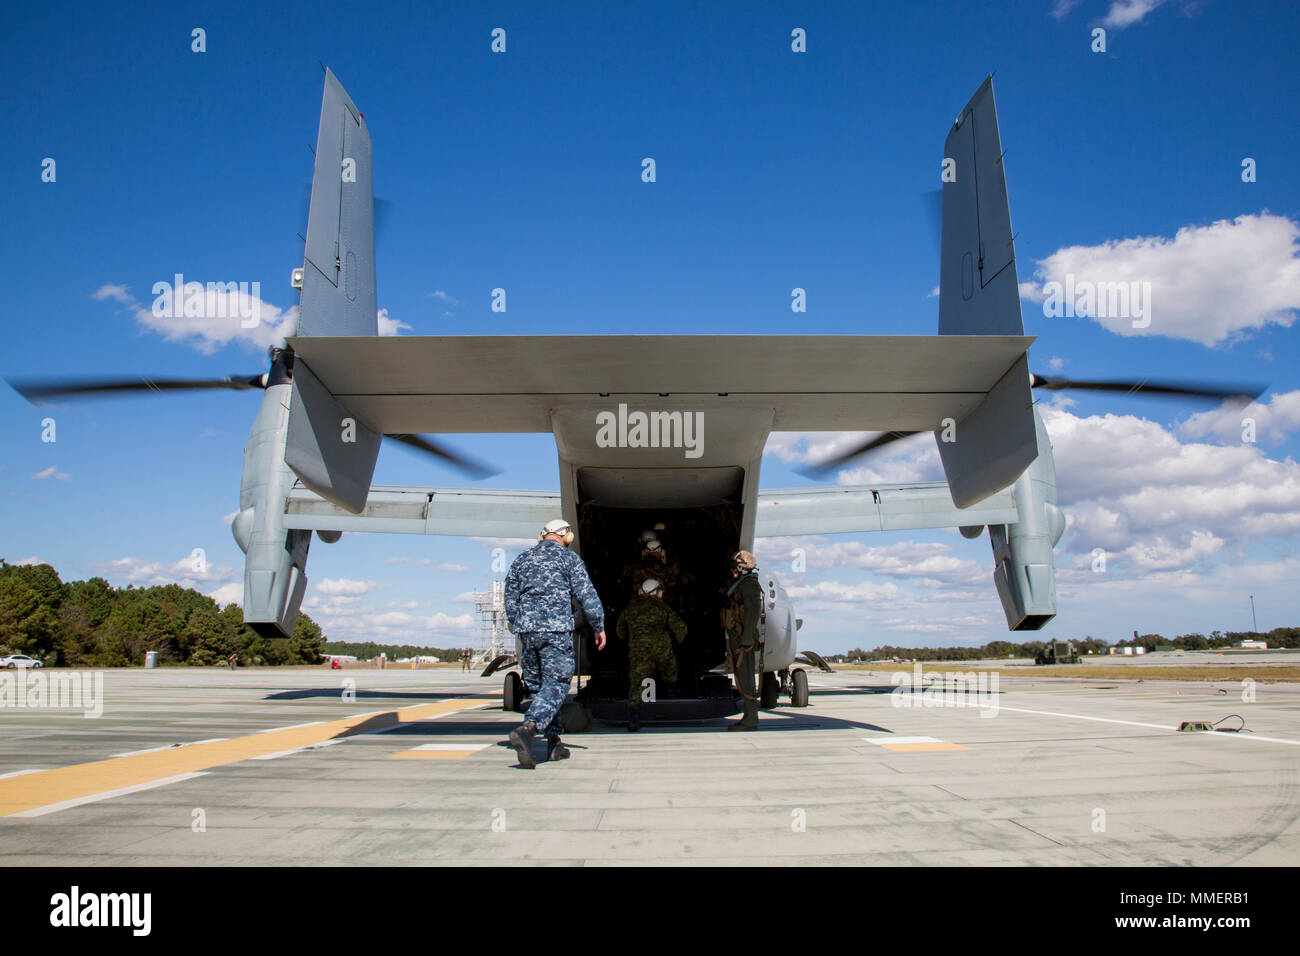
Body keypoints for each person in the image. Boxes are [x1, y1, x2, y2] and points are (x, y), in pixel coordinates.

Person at [504, 518, 607, 768]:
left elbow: (510, 596)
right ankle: (529, 728)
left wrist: (519, 622)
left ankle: (554, 743)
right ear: (566, 537)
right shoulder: (568, 559)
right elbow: (585, 594)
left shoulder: (522, 559)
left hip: (527, 631)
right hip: (556, 629)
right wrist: (598, 625)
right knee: (558, 683)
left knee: (539, 687)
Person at [617, 577, 687, 732]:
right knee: (669, 667)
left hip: (639, 651)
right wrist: (678, 643)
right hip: (662, 649)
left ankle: (634, 717)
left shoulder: (630, 608)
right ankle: (671, 692)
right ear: (658, 593)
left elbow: (620, 632)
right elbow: (681, 629)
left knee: (637, 683)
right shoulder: (663, 608)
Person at [721, 550, 762, 731]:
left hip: (743, 641)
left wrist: (746, 641)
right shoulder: (742, 584)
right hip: (738, 638)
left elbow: (752, 614)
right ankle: (748, 716)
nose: (732, 571)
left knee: (746, 679)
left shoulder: (749, 586)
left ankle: (751, 719)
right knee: (741, 677)